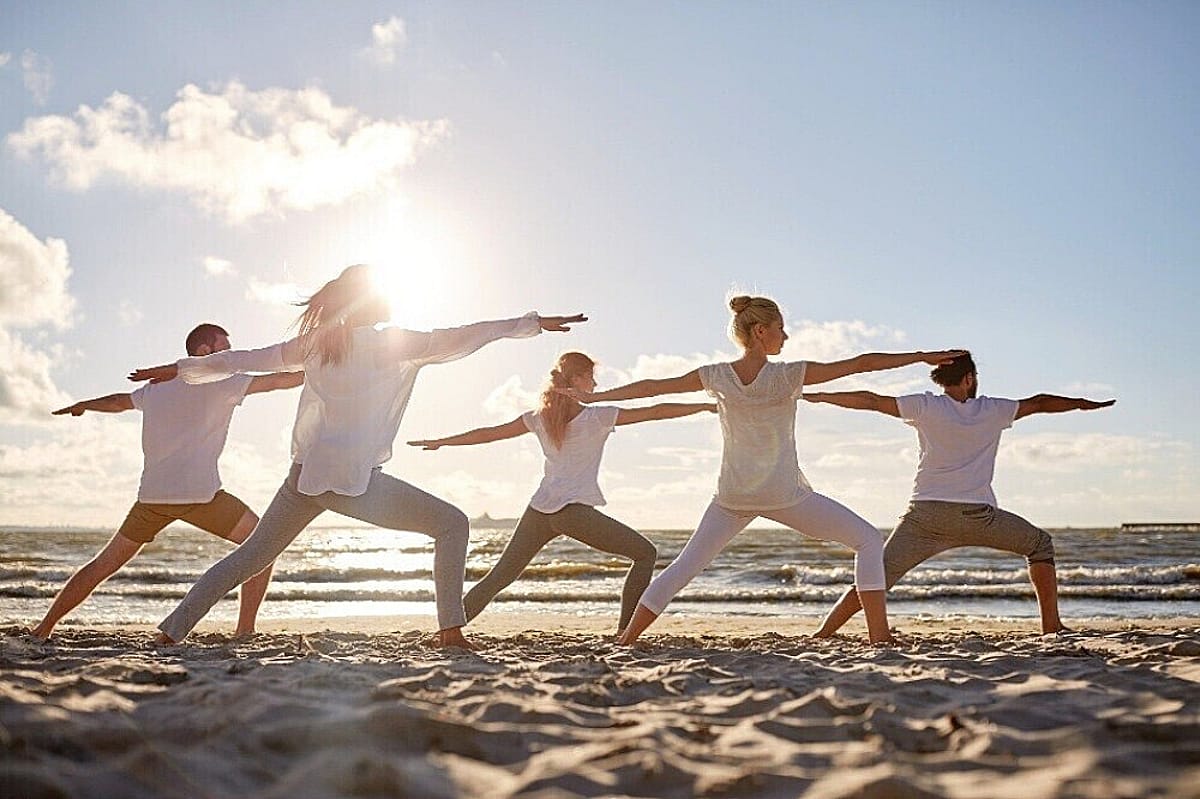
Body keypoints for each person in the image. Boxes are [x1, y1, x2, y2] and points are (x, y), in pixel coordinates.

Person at [130, 264, 585, 649]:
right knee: (452, 524)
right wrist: (531, 324)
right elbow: (465, 335)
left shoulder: (318, 344)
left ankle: (171, 633)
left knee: (248, 558)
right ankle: (450, 632)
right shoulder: (393, 342)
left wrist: (179, 370)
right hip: (353, 482)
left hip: (304, 477)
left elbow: (241, 360)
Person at [560, 295, 963, 645]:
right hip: (783, 494)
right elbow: (860, 363)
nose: (785, 337)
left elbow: (653, 386)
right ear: (759, 332)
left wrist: (596, 397)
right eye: (780, 329)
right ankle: (879, 636)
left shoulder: (715, 375)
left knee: (683, 566)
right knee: (867, 541)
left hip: (733, 495)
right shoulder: (788, 375)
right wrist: (920, 356)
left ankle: (627, 640)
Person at [805, 351, 1115, 637]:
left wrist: (818, 396)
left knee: (877, 577)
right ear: (969, 379)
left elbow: (870, 399)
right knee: (1040, 545)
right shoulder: (993, 409)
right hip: (978, 517)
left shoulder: (925, 406)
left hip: (925, 517)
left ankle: (824, 633)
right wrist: (1080, 403)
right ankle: (1052, 627)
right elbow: (1040, 402)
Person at [408, 351, 716, 634]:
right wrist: (705, 406)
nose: (595, 384)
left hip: (540, 510)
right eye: (591, 377)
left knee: (499, 578)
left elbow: (489, 434)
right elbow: (656, 412)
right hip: (573, 513)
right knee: (645, 554)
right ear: (577, 379)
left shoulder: (540, 417)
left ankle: (447, 632)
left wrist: (442, 442)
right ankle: (625, 636)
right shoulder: (597, 417)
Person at [33, 323, 303, 640]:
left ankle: (42, 629)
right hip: (202, 498)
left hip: (153, 499)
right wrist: (327, 367)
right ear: (203, 351)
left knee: (103, 564)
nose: (230, 357)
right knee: (262, 546)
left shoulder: (158, 387)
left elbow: (119, 401)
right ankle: (245, 629)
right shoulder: (225, 384)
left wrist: (83, 405)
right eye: (224, 349)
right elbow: (280, 382)